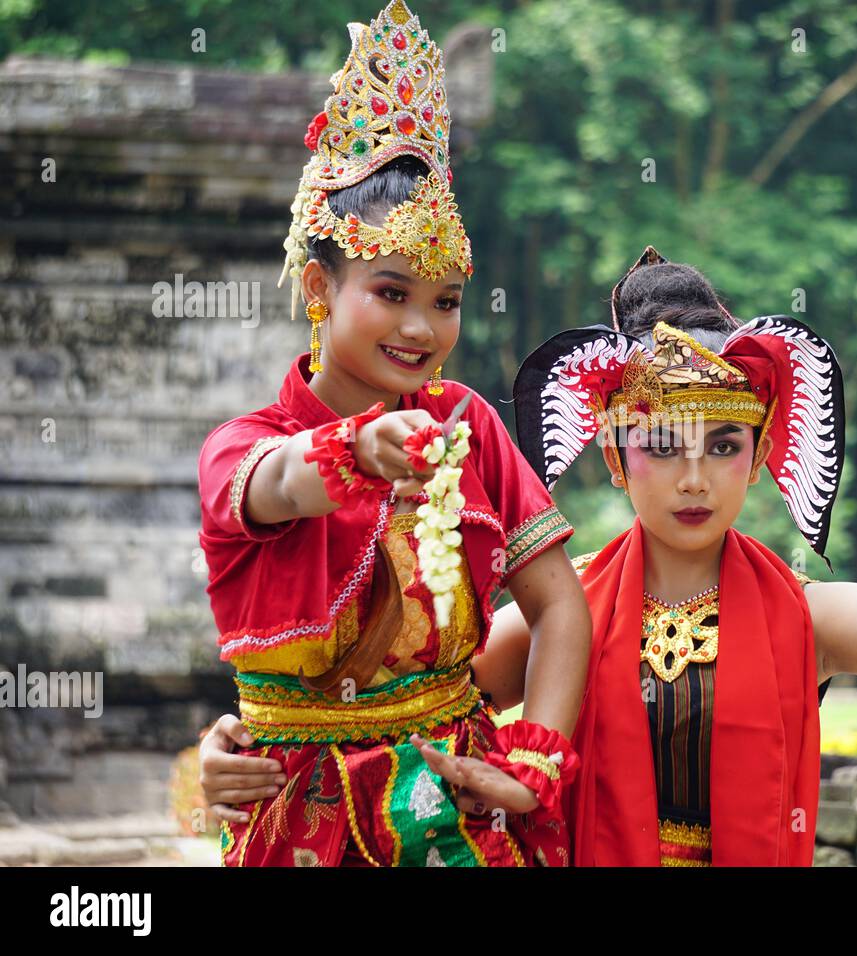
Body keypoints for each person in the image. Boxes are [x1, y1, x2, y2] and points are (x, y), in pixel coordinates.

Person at [200, 247, 857, 866]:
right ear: (615, 459)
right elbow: (396, 702)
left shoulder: (801, 613)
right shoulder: (560, 618)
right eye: (663, 443)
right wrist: (234, 742)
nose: (695, 477)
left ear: (758, 457)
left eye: (723, 445)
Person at [195, 0, 589, 867]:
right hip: (295, 814)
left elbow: (562, 604)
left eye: (445, 301)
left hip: (454, 801)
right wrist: (351, 455)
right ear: (319, 287)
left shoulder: (470, 425)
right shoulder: (241, 444)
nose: (422, 327)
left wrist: (536, 762)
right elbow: (276, 483)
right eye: (391, 291)